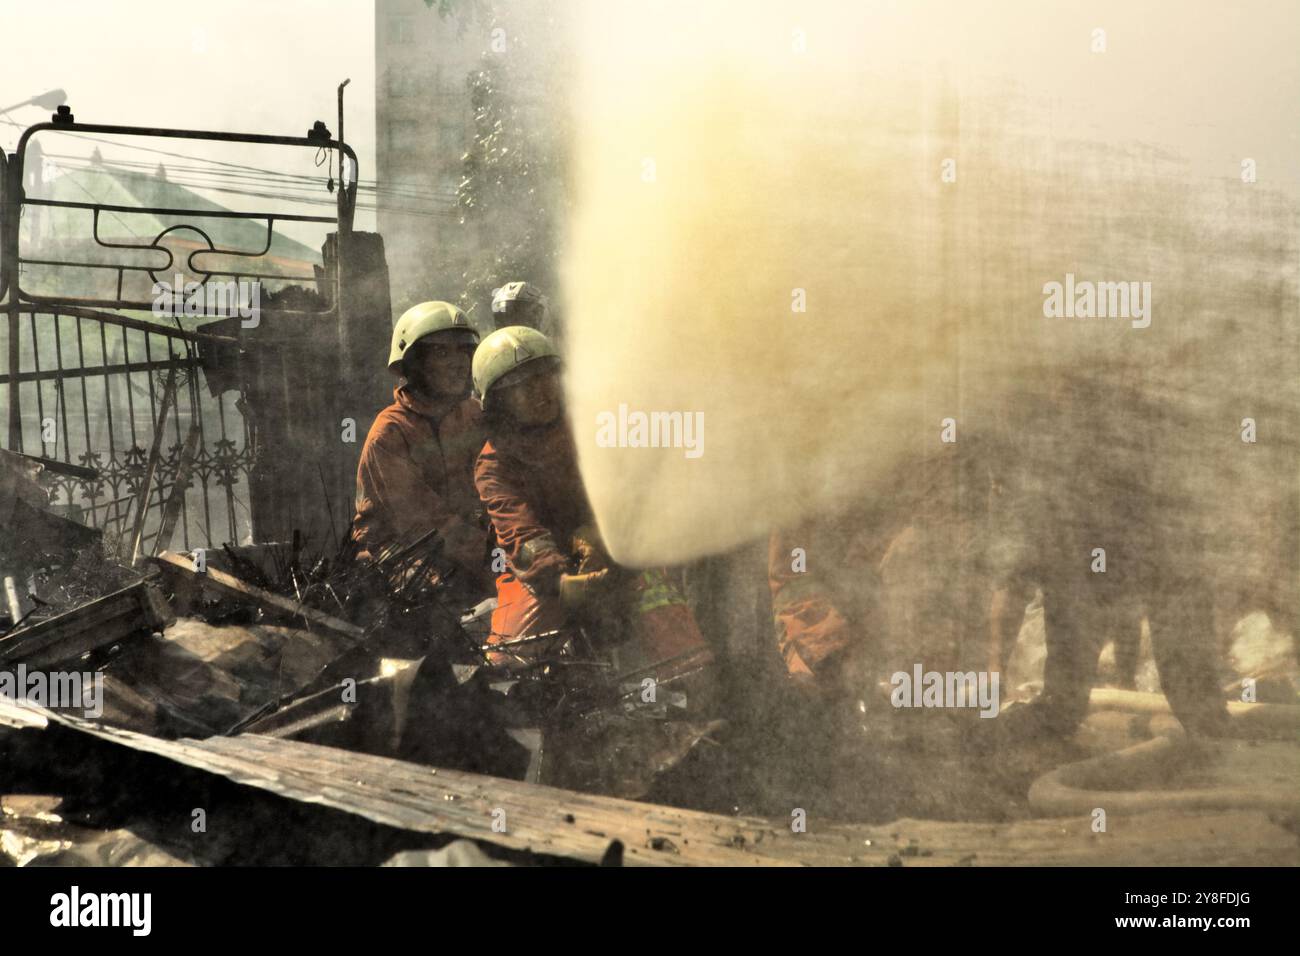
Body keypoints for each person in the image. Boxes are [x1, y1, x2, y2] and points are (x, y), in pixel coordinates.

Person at [470, 326, 712, 682]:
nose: (540, 390)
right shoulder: (494, 464)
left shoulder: (593, 427)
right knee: (510, 658)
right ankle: (525, 721)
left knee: (658, 600)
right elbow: (521, 534)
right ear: (499, 403)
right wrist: (562, 581)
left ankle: (695, 704)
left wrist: (601, 538)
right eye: (522, 385)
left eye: (544, 377)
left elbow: (632, 490)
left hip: (612, 554)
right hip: (543, 577)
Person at [352, 300, 490, 595]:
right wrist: (493, 557)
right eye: (442, 352)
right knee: (430, 599)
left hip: (466, 543)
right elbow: (422, 523)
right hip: (400, 549)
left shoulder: (474, 414)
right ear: (414, 363)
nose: (458, 363)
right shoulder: (389, 434)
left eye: (464, 351)